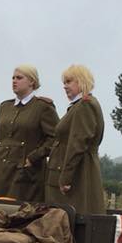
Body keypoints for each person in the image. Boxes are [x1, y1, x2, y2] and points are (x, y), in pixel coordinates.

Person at [0, 65, 59, 201]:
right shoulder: (4, 107)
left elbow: (55, 138)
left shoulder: (43, 107)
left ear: (32, 81)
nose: (14, 81)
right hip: (0, 174)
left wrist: (33, 158)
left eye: (19, 78)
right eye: (13, 78)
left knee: (21, 217)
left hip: (27, 176)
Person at [45, 64, 106, 214]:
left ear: (81, 81)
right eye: (64, 83)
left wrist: (65, 178)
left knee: (72, 218)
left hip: (79, 173)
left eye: (69, 82)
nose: (65, 87)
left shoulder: (85, 105)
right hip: (76, 170)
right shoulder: (79, 105)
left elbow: (77, 144)